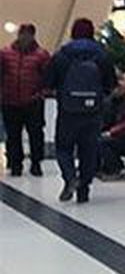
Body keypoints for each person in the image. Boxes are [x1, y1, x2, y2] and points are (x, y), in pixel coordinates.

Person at [44, 19, 115, 203]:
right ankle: (84, 189)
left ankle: (70, 178)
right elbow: (110, 84)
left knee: (63, 147)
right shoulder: (101, 55)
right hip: (93, 111)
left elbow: (48, 81)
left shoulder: (62, 55)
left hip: (68, 110)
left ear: (73, 32)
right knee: (88, 150)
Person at [1, 23, 51, 177]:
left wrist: (42, 93)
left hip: (33, 102)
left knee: (35, 134)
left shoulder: (42, 55)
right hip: (10, 101)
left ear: (33, 36)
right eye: (22, 34)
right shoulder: (5, 54)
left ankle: (36, 163)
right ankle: (16, 164)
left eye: (27, 34)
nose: (24, 37)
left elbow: (48, 77)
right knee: (13, 135)